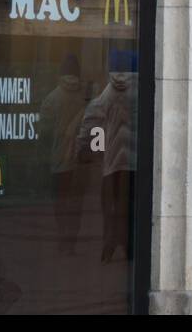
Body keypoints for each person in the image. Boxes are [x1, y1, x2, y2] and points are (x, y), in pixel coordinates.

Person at [79, 50, 137, 263]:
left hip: (111, 163)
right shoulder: (141, 93)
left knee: (109, 207)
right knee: (130, 206)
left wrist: (85, 147)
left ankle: (108, 246)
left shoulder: (105, 95)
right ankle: (130, 246)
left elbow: (91, 122)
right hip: (134, 163)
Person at [40, 53, 89, 254]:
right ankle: (72, 242)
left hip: (59, 160)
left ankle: (62, 240)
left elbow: (44, 132)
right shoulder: (84, 97)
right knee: (76, 205)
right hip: (81, 162)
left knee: (60, 203)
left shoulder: (52, 98)